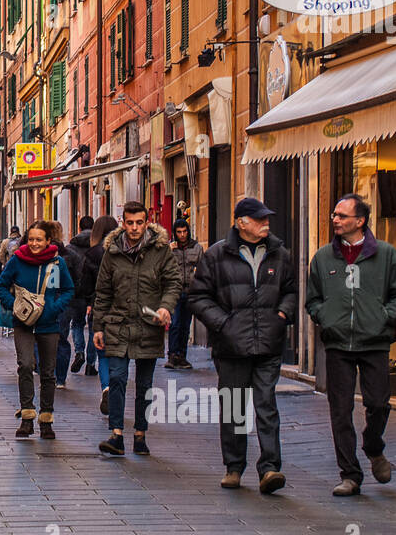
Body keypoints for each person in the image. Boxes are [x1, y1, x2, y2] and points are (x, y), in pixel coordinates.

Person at [306, 193, 396, 496]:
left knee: (379, 403)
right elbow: (312, 299)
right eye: (334, 215)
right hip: (338, 344)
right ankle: (350, 475)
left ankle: (373, 445)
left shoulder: (386, 255)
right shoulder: (324, 258)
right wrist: (325, 317)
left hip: (374, 343)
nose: (336, 220)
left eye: (342, 216)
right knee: (339, 410)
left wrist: (383, 317)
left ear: (360, 221)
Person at [186, 197, 297, 494]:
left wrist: (283, 314)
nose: (266, 224)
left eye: (266, 219)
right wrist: (224, 324)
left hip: (269, 343)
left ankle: (270, 468)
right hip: (231, 345)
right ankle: (234, 467)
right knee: (234, 408)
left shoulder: (279, 253)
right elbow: (197, 297)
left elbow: (291, 290)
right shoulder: (216, 255)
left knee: (266, 405)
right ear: (241, 223)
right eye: (259, 219)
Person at [93, 202, 181, 457]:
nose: (134, 228)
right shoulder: (112, 252)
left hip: (148, 326)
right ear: (123, 222)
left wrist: (165, 307)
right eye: (129, 223)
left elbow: (173, 283)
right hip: (117, 324)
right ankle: (116, 434)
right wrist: (98, 326)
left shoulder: (161, 251)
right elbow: (103, 292)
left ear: (147, 221)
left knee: (144, 384)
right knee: (118, 378)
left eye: (139, 223)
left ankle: (140, 434)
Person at [0, 219, 75, 439]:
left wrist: (54, 309)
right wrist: (14, 305)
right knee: (26, 365)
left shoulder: (56, 263)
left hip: (48, 324)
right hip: (23, 323)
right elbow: (0, 285)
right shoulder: (17, 260)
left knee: (48, 372)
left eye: (39, 239)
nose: (34, 243)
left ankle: (46, 418)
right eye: (31, 239)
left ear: (48, 240)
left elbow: (67, 289)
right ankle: (27, 416)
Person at [83, 216, 119, 411]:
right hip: (121, 308)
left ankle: (106, 388)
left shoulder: (92, 253)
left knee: (103, 353)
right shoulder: (123, 251)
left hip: (97, 306)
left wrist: (89, 301)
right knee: (119, 356)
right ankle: (113, 388)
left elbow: (85, 284)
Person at [48, 220, 84, 388]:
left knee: (43, 337)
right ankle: (60, 378)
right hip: (66, 302)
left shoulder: (40, 254)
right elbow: (79, 279)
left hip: (46, 301)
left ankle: (47, 374)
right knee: (61, 338)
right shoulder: (71, 254)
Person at [167, 218, 203, 370]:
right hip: (174, 291)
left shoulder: (196, 248)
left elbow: (203, 268)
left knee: (185, 325)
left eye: (184, 231)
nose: (182, 235)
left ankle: (182, 355)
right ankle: (172, 355)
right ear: (175, 233)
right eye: (179, 232)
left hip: (190, 292)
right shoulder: (170, 248)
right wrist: (169, 249)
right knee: (175, 324)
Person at [66, 216, 94, 373]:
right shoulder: (99, 247)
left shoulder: (70, 247)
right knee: (93, 328)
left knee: (76, 324)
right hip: (93, 294)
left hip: (76, 293)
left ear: (79, 228)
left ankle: (79, 352)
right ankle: (91, 364)